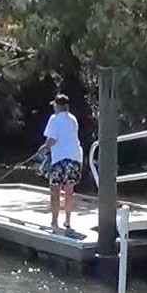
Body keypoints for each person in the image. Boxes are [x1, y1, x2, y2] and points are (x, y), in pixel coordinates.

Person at [40, 93, 83, 231]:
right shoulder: (73, 119)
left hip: (60, 159)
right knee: (69, 190)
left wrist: (43, 149)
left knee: (55, 190)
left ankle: (54, 221)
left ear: (57, 106)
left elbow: (51, 140)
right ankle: (68, 221)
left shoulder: (54, 119)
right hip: (75, 157)